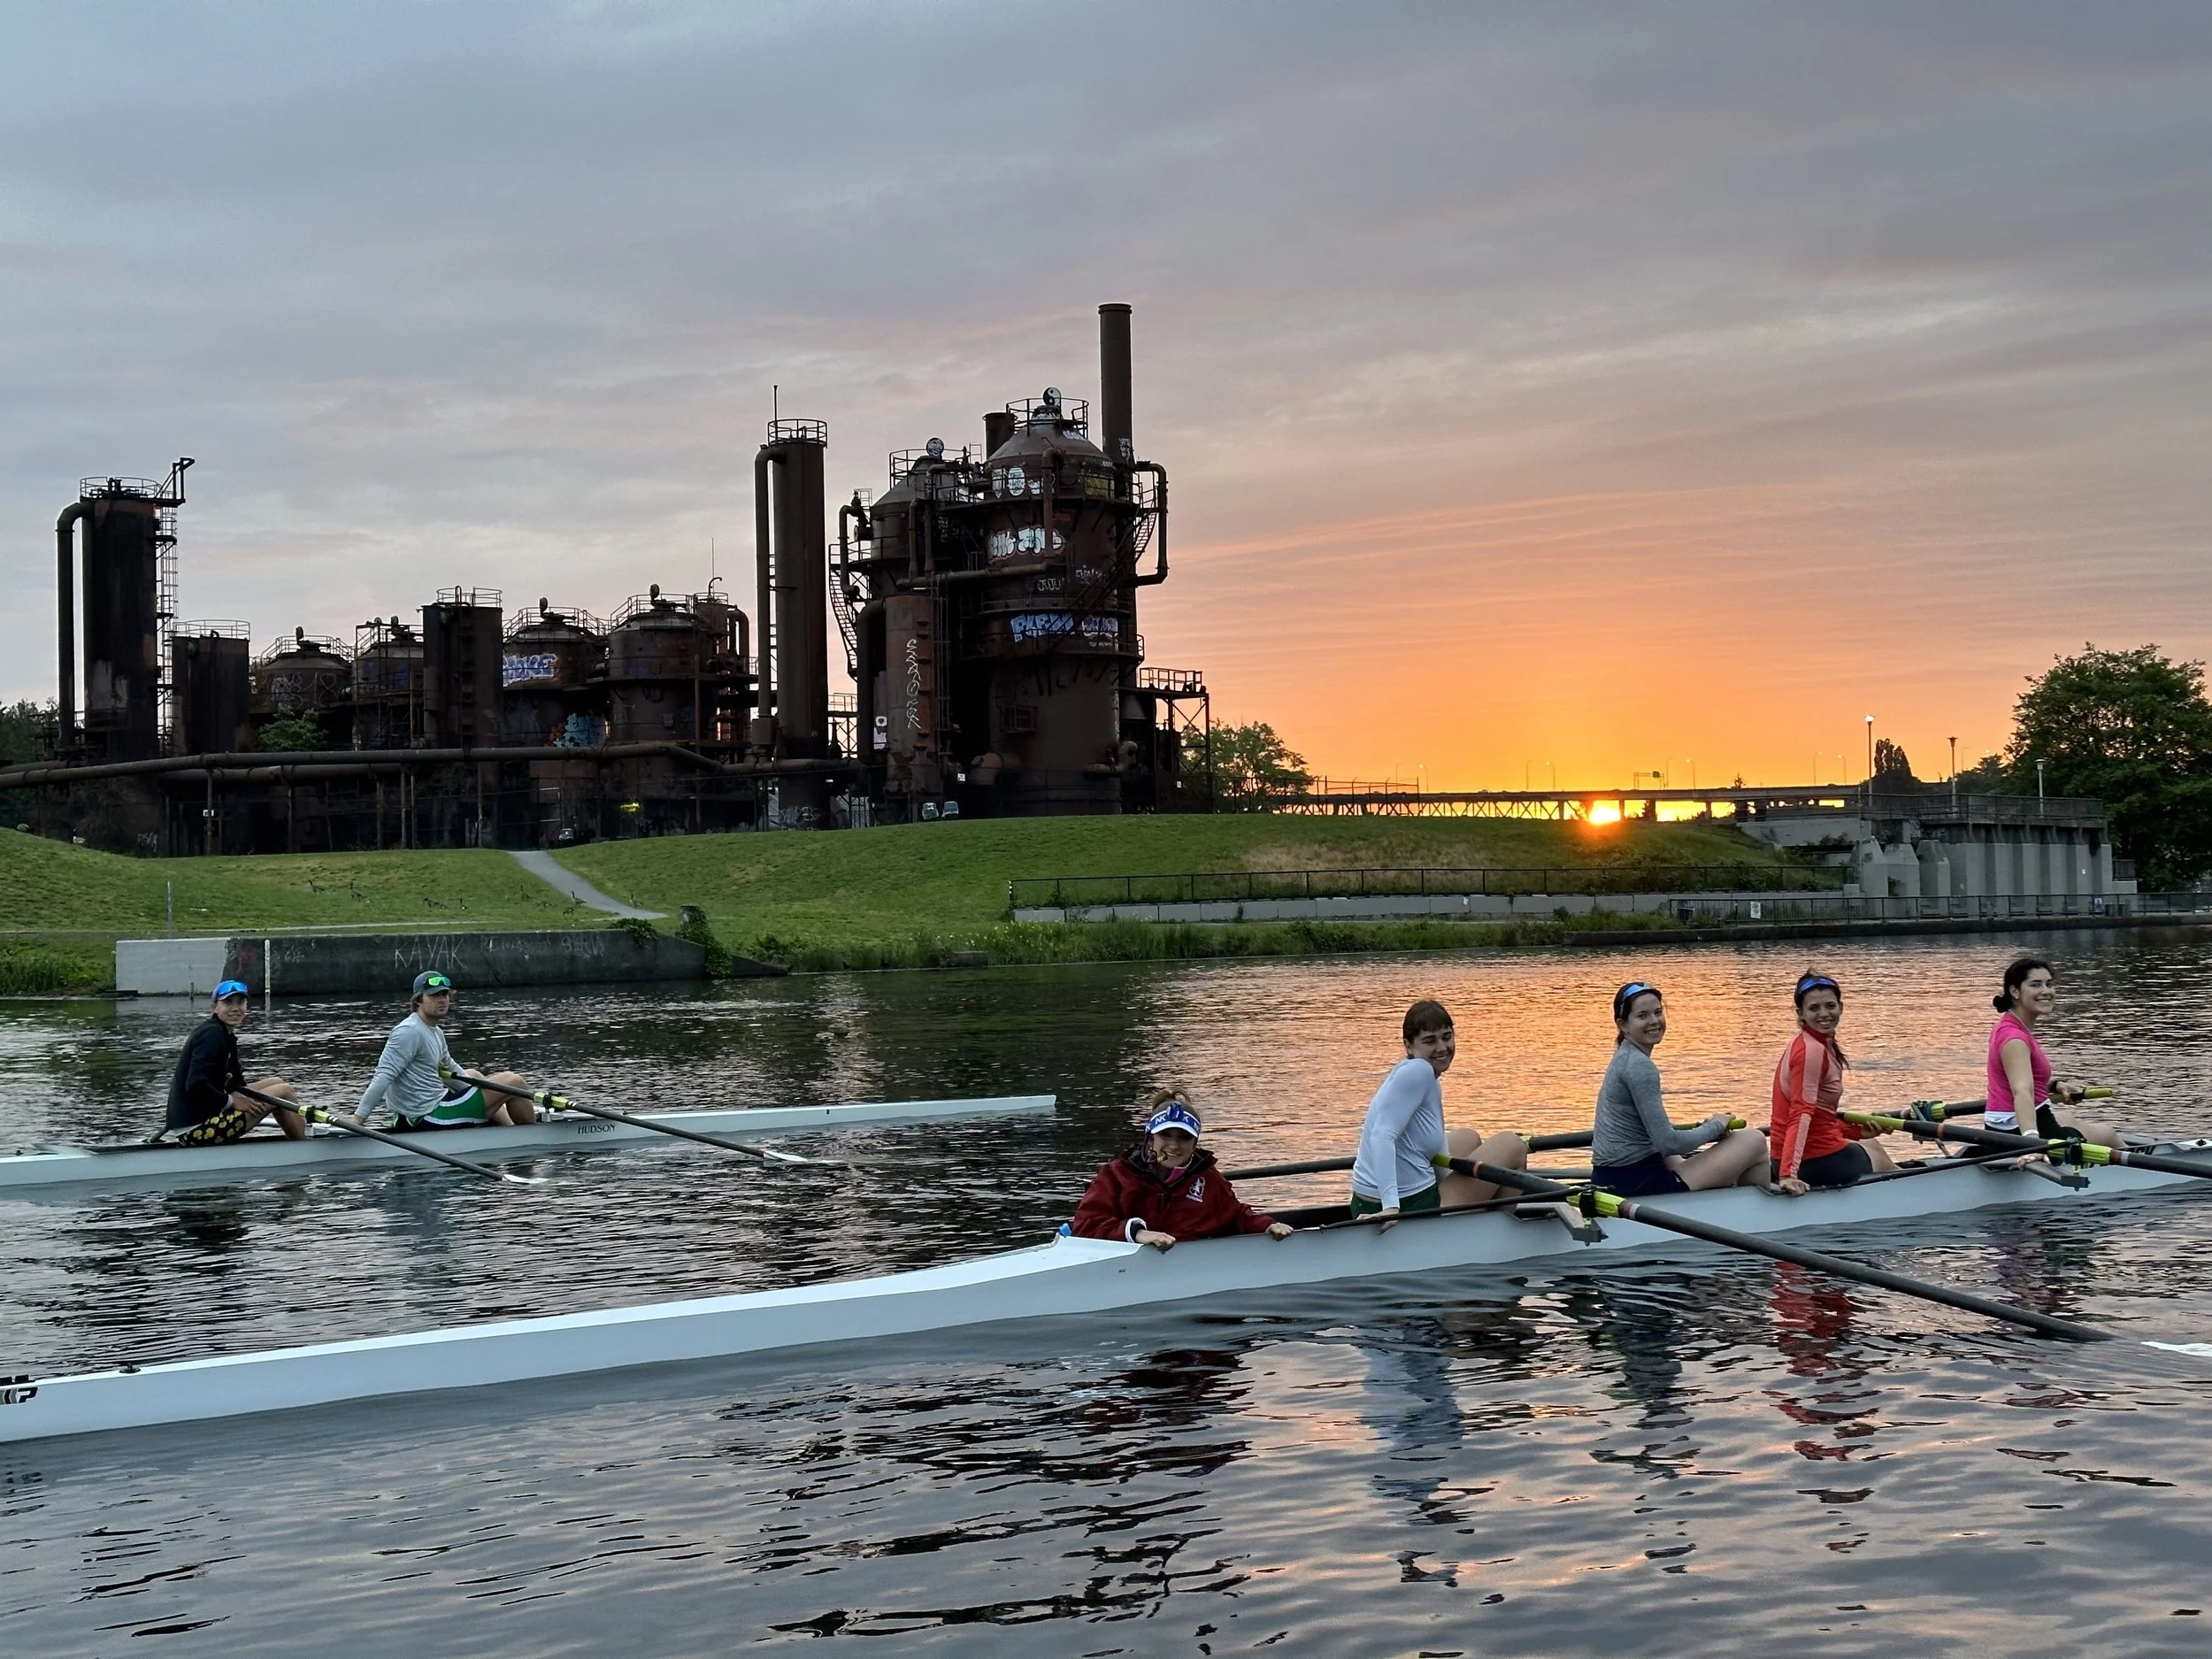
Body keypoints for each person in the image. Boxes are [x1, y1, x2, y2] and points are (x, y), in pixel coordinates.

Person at [1349, 998, 1528, 1227]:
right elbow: (1381, 1137)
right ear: (1409, 1045)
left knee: (1468, 1137)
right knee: (1514, 1145)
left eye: (1447, 1037)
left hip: (1365, 1202)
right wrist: (1391, 1208)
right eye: (1430, 1041)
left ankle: (1467, 1213)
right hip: (1408, 1207)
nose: (1442, 1048)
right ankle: (1497, 1232)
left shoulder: (1411, 1071)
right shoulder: (1420, 1071)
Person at [1592, 981, 1769, 1194]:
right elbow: (1668, 1143)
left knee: (1684, 1156)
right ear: (1623, 1025)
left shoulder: (1624, 1056)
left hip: (1610, 1177)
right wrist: (1715, 1126)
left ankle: (1731, 1199)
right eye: (1642, 1016)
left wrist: (1705, 1130)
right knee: (1754, 1140)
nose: (1654, 1021)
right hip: (1637, 1182)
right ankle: (1753, 1207)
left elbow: (1659, 1135)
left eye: (1658, 1012)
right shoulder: (1639, 1066)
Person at [1068, 1091, 1294, 1250]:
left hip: (1186, 1270)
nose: (1174, 1146)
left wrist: (1267, 1225)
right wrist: (1136, 1233)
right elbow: (1086, 1224)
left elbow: (1235, 1216)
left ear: (1195, 1144)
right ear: (1150, 1139)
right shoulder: (1115, 1174)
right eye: (1165, 1135)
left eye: (1184, 1138)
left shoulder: (1208, 1179)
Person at [349, 971, 535, 1131]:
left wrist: (483, 1090)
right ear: (419, 1000)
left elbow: (449, 1067)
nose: (442, 1000)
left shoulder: (434, 1031)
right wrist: (358, 1118)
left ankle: (506, 1128)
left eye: (445, 994)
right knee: (514, 1082)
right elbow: (384, 1076)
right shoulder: (408, 1031)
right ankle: (527, 1135)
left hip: (420, 1112)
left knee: (474, 1075)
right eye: (434, 995)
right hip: (428, 1116)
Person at [1770, 971, 1896, 1194]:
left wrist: (1856, 1131)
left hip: (1803, 1153)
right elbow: (1800, 1114)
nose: (1824, 1014)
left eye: (1830, 1006)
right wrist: (1788, 1175)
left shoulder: (1817, 1044)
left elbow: (1821, 1117)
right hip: (1810, 1162)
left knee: (1871, 1144)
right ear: (1801, 1014)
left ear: (1841, 1007)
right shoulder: (1811, 1051)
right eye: (1814, 1008)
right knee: (1885, 1165)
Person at [1986, 956, 2125, 1148]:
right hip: (2019, 1130)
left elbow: (2015, 1077)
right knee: (2108, 1133)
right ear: (2015, 991)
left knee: (2067, 1117)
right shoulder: (2015, 1039)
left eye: (2049, 984)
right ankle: (2143, 1165)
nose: (2046, 991)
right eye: (2036, 985)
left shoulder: (2008, 1026)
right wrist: (2032, 1143)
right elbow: (2022, 1091)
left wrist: (2054, 1085)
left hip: (2006, 1124)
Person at [164, 979, 305, 1146]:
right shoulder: (212, 1034)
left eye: (241, 1002)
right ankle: (304, 1146)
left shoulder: (226, 1036)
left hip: (204, 1116)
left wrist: (239, 1098)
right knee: (284, 1091)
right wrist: (232, 1101)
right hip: (196, 1130)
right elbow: (196, 1084)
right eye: (228, 1002)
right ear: (214, 1007)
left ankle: (298, 1133)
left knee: (276, 1082)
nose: (235, 1008)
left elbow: (236, 1085)